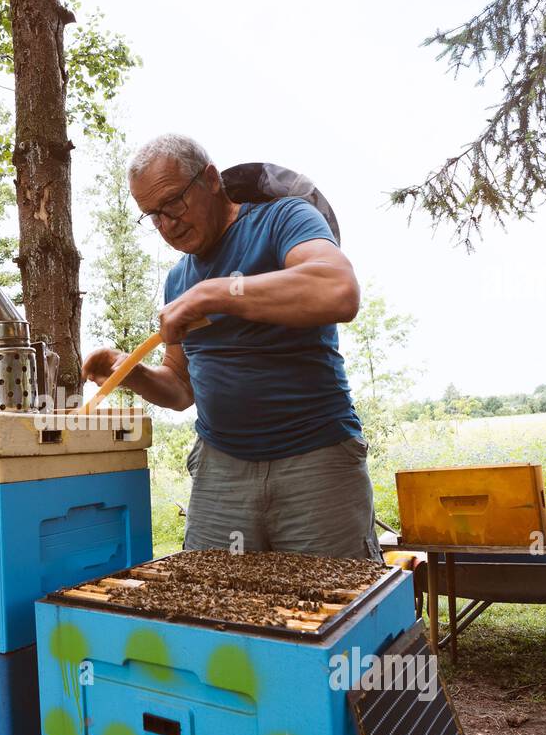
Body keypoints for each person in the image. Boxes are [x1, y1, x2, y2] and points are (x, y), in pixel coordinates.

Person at [82, 133, 379, 560]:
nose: (168, 225)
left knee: (337, 609)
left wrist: (219, 293)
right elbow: (181, 389)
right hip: (221, 470)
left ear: (210, 180)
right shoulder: (178, 279)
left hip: (316, 459)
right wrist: (133, 372)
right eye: (153, 216)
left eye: (174, 204)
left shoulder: (283, 220)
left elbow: (338, 290)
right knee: (217, 612)